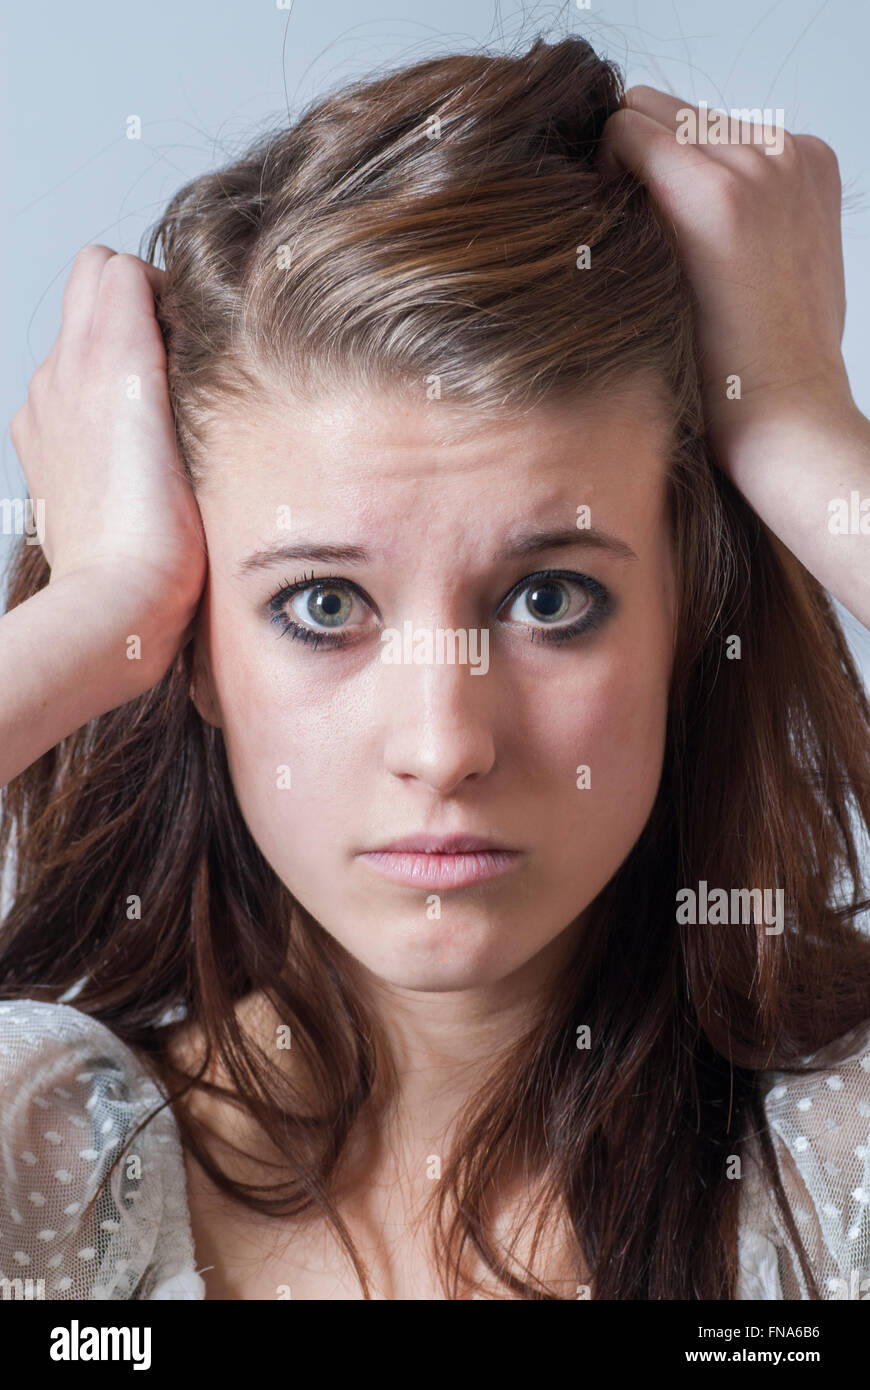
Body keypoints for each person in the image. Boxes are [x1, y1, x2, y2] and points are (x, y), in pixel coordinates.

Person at [2, 35, 870, 1301]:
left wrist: (801, 430)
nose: (446, 742)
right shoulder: (43, 1156)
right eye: (321, 602)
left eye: (549, 597)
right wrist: (100, 603)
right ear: (190, 651)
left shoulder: (833, 1168)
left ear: (688, 611)